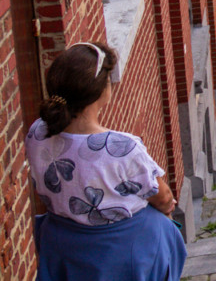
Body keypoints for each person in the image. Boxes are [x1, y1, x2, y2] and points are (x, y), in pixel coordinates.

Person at [25, 42, 186, 280]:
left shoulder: (37, 133)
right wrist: (167, 210)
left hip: (64, 247)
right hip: (121, 252)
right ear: (102, 90)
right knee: (161, 225)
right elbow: (162, 198)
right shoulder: (120, 147)